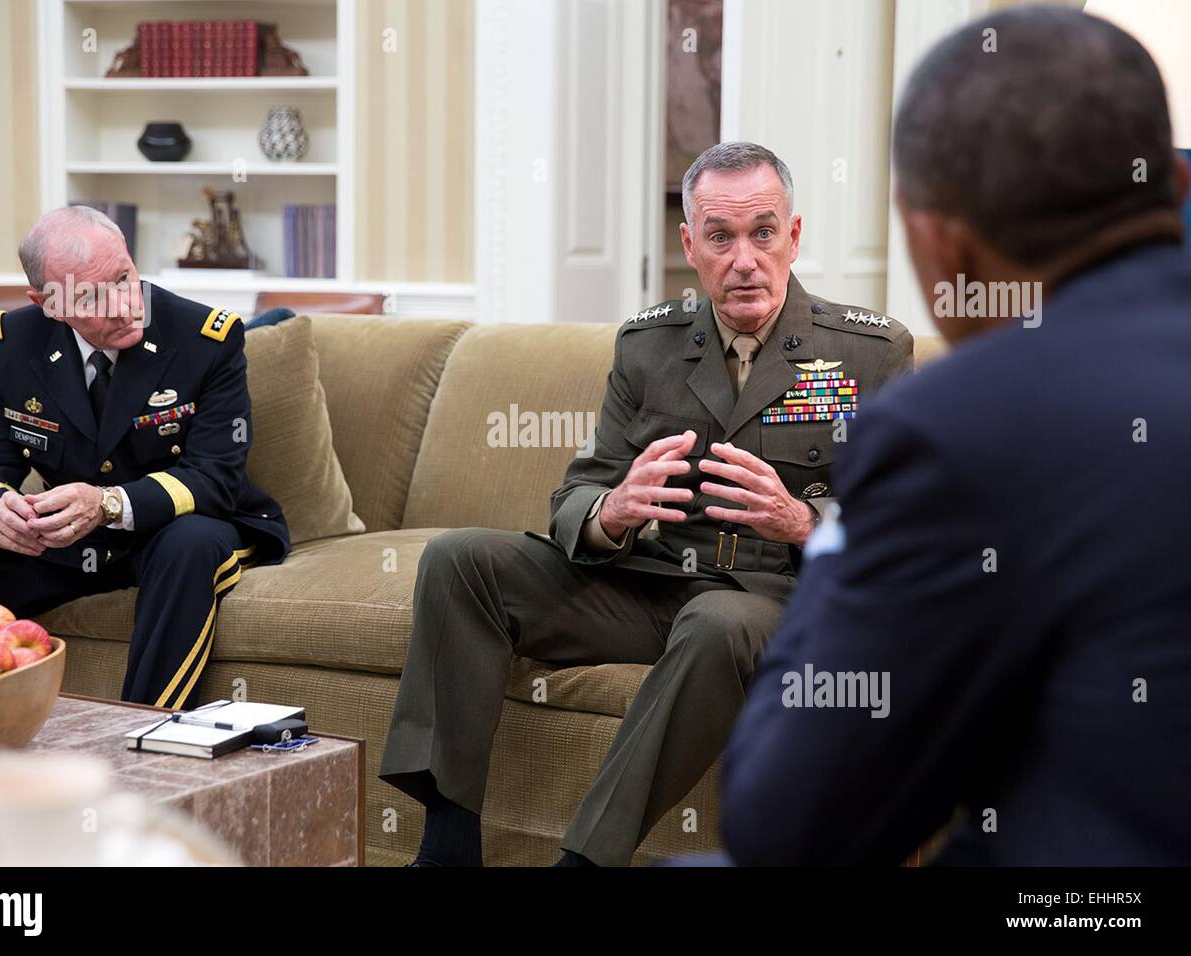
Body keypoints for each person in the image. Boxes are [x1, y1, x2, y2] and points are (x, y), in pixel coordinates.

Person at [721, 7, 1191, 865]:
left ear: (941, 243)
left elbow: (785, 824)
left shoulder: (956, 428)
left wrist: (836, 534)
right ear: (1177, 187)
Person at [379, 142, 913, 866]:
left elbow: (901, 526)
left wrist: (802, 520)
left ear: (793, 236)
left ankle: (585, 861)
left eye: (762, 232)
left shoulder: (869, 353)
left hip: (771, 598)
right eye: (720, 238)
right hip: (648, 585)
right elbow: (579, 493)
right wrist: (614, 511)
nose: (744, 259)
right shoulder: (647, 345)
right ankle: (446, 845)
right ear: (690, 245)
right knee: (460, 559)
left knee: (715, 621)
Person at [0, 206, 290, 709]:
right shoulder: (12, 345)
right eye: (92, 296)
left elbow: (217, 476)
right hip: (68, 542)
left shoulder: (204, 339)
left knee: (188, 544)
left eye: (124, 277)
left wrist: (107, 505)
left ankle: (144, 730)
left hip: (175, 529)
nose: (124, 305)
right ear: (48, 303)